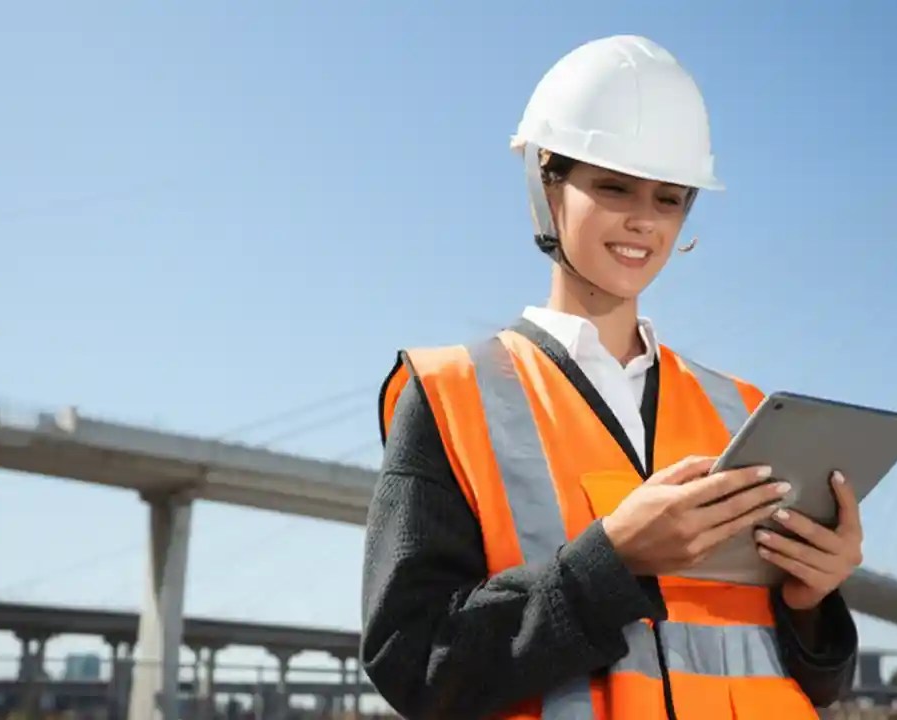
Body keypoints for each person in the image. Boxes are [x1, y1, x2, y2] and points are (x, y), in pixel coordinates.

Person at [361, 34, 862, 720]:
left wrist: (812, 603)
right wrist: (612, 561)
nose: (643, 221)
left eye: (670, 198)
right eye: (614, 186)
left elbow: (812, 681)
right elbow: (413, 662)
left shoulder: (742, 412)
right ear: (546, 186)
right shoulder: (449, 395)